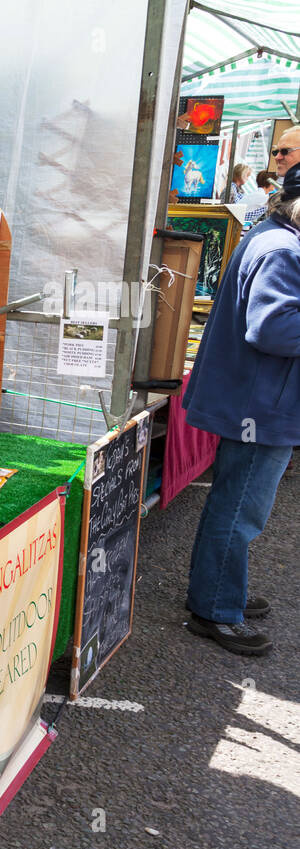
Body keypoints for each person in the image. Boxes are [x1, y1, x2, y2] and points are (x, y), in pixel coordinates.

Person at [181, 162, 300, 656]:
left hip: (257, 399)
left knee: (237, 503)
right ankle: (215, 609)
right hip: (260, 404)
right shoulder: (283, 249)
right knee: (239, 509)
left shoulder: (275, 237)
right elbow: (272, 329)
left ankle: (219, 591)